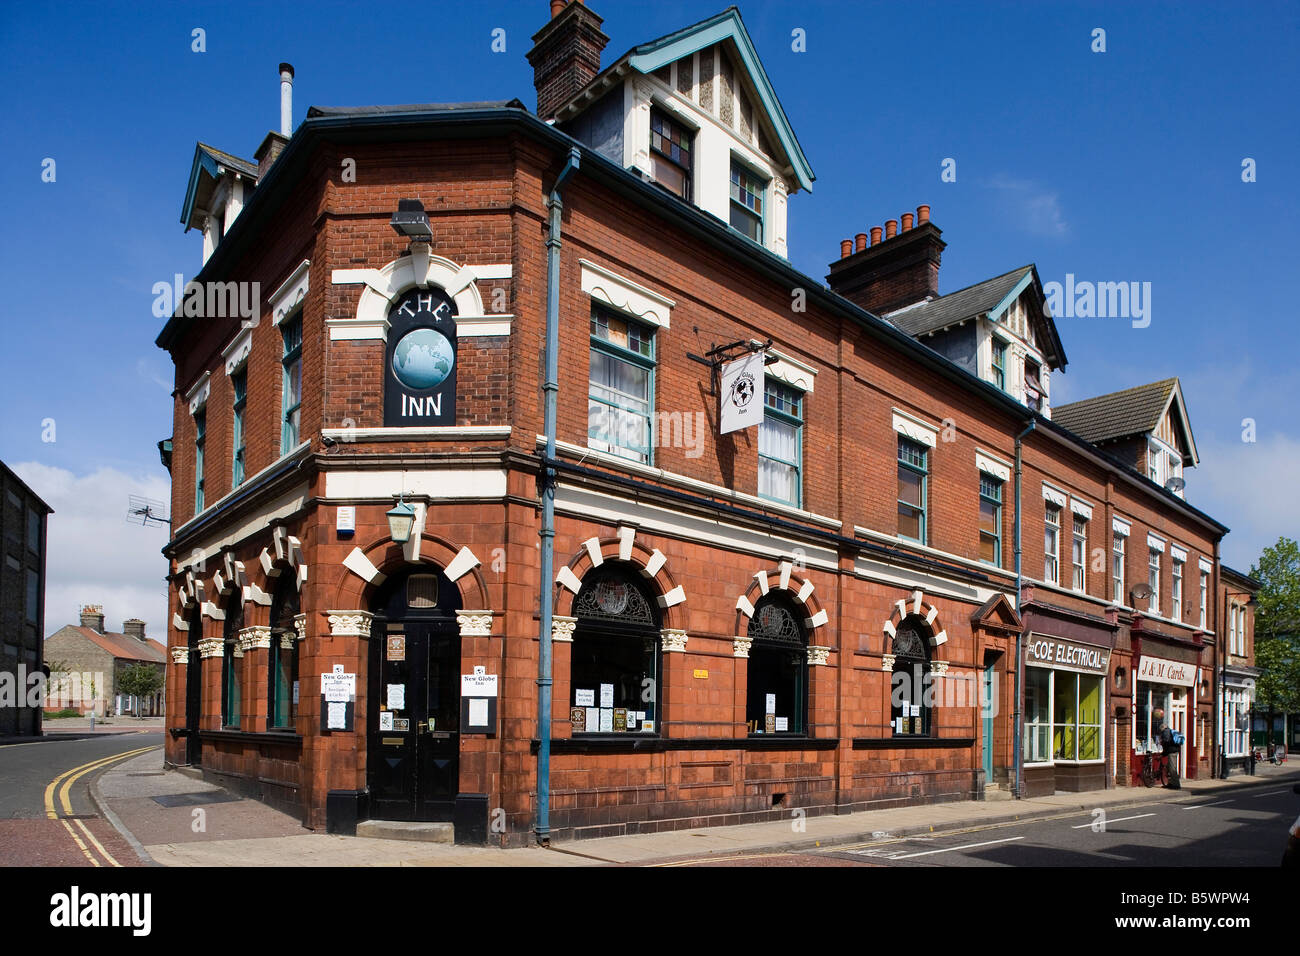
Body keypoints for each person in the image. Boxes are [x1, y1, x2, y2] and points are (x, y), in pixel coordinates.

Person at [1154, 708, 1181, 789]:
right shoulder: (1169, 731)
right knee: (1169, 768)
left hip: (1172, 752)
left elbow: (1166, 744)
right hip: (1173, 751)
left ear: (1162, 728)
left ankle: (1176, 785)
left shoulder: (1166, 733)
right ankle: (1171, 783)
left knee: (1172, 769)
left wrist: (1162, 754)